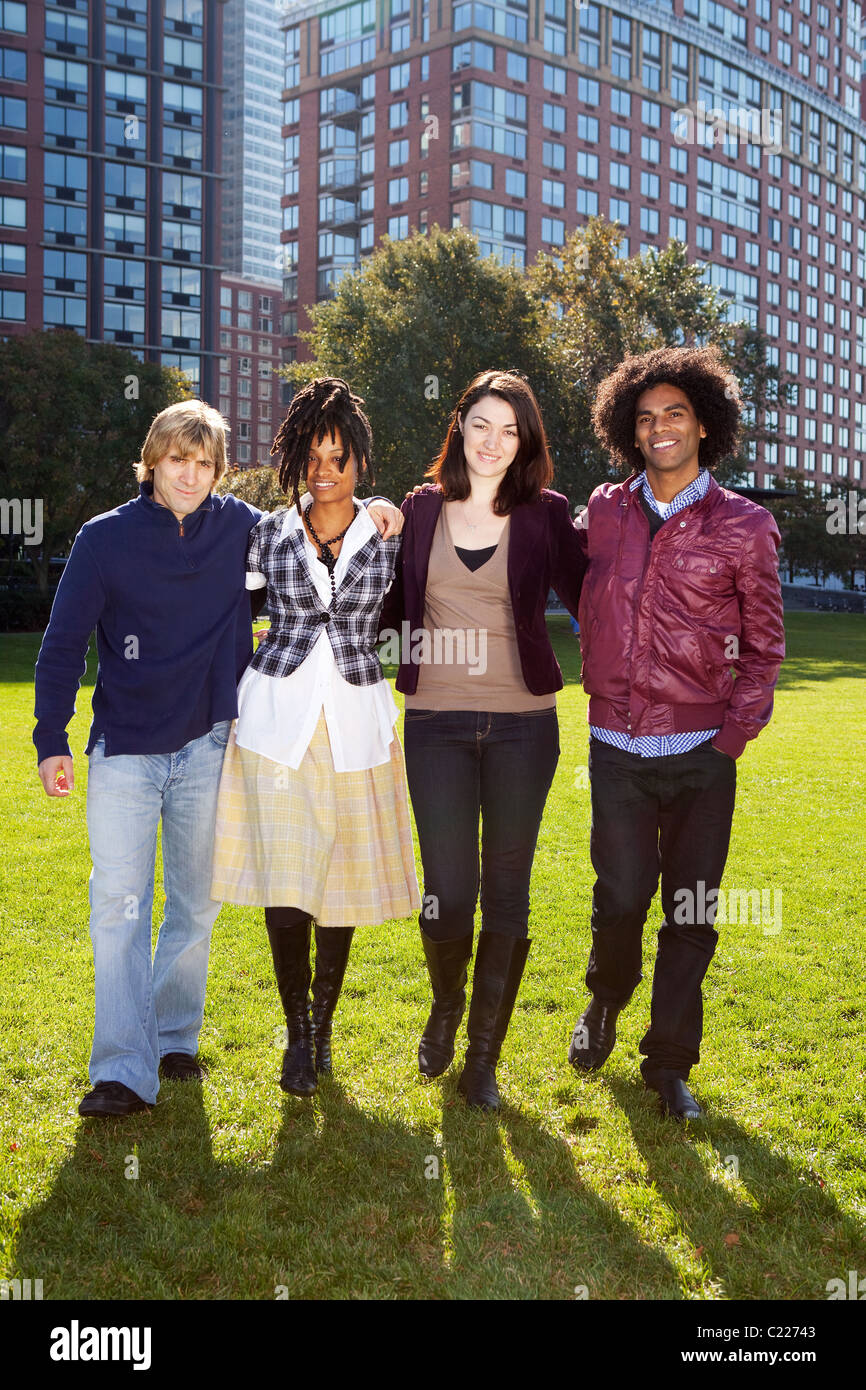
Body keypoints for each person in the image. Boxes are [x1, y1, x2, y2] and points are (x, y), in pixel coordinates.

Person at [33, 399, 402, 1118]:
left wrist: (381, 504)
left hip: (210, 745)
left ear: (219, 470)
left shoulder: (242, 529)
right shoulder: (102, 539)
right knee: (119, 907)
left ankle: (173, 1040)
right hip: (125, 751)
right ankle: (119, 1069)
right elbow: (60, 644)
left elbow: (323, 513)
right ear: (152, 460)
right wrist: (52, 738)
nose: (191, 475)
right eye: (178, 460)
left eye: (205, 463)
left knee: (195, 907)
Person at [568, 344, 785, 1120]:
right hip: (616, 750)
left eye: (675, 415)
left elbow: (764, 648)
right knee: (621, 899)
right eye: (646, 417)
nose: (660, 428)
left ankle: (668, 1064)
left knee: (690, 911)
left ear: (704, 425)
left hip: (701, 755)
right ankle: (604, 1001)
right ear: (630, 430)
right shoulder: (603, 511)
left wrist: (729, 739)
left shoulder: (745, 526)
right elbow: (529, 539)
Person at [378, 368, 586, 1112]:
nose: (494, 443)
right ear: (459, 430)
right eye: (481, 426)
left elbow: (598, 594)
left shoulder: (546, 514)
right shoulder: (419, 509)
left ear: (525, 440)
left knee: (507, 889)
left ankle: (483, 1060)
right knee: (447, 890)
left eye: (511, 430)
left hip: (523, 726)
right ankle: (444, 1003)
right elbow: (387, 601)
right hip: (434, 722)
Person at [209, 378, 420, 1098]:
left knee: (340, 884)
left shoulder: (389, 531)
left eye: (339, 456)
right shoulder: (265, 534)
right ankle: (297, 1036)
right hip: (276, 725)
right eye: (312, 456)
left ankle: (324, 1024)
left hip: (358, 724)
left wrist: (386, 510)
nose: (325, 470)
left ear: (361, 459)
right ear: (295, 460)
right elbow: (232, 619)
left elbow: (415, 613)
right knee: (288, 884)